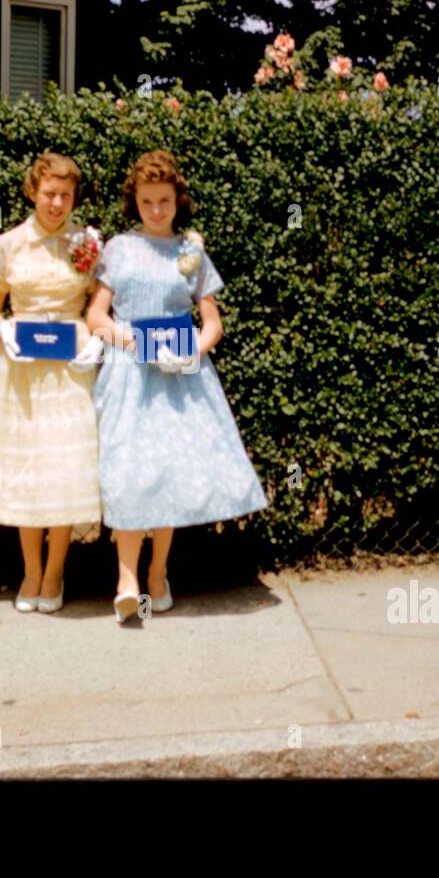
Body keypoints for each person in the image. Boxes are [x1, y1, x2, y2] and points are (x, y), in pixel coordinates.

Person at [86, 149, 268, 623]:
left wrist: (194, 352)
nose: (156, 211)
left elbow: (212, 322)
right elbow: (95, 316)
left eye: (164, 201)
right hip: (130, 373)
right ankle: (126, 579)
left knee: (166, 473)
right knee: (128, 471)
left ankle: (158, 575)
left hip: (180, 377)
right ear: (135, 202)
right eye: (147, 202)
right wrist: (132, 342)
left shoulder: (191, 252)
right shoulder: (119, 248)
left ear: (177, 200)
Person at [0, 152, 105, 613]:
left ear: (74, 197)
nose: (57, 203)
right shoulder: (10, 243)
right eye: (49, 194)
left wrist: (96, 339)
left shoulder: (89, 244)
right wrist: (4, 330)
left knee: (62, 470)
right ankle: (30, 571)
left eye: (65, 195)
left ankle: (55, 571)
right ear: (33, 192)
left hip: (69, 366)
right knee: (26, 469)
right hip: (20, 366)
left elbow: (100, 305)